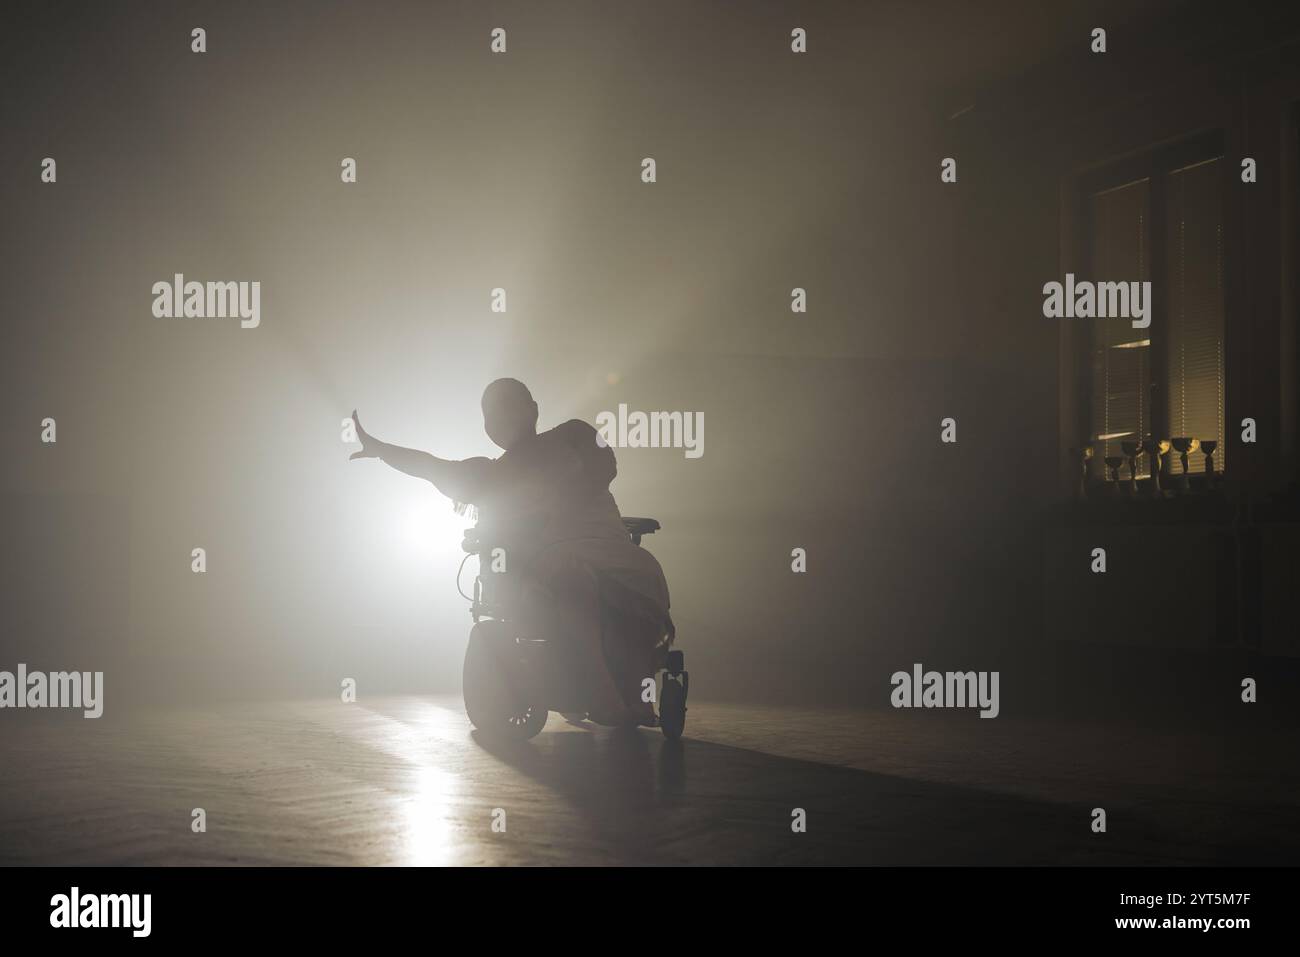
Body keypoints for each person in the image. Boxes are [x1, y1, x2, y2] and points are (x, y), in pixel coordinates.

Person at [349, 378, 672, 726]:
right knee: (574, 579)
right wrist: (381, 448)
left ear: (533, 409)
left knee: (642, 581)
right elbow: (430, 466)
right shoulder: (488, 473)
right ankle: (603, 694)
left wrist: (557, 499)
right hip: (548, 563)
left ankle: (638, 696)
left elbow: (604, 465)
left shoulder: (573, 435)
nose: (498, 418)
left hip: (608, 546)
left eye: (507, 405)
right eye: (489, 413)